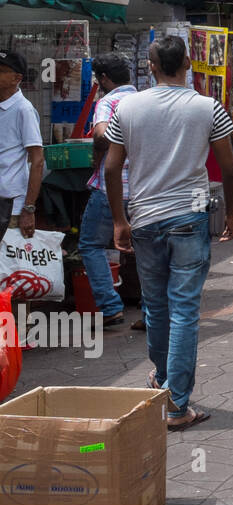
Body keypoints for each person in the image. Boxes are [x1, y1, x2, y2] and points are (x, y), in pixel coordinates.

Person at [104, 36, 233, 431]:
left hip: (144, 218)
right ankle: (176, 404)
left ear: (150, 66)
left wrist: (119, 221)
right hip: (190, 217)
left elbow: (113, 168)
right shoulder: (206, 106)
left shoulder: (127, 107)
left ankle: (165, 381)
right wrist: (231, 215)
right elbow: (229, 167)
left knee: (156, 307)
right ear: (186, 63)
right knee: (182, 310)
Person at [79, 53, 137, 326]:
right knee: (145, 248)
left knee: (91, 245)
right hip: (142, 188)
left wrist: (98, 150)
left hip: (111, 188)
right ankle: (149, 308)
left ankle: (110, 306)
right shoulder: (143, 99)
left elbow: (101, 135)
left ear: (104, 78)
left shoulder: (108, 101)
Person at [0, 49, 42, 240]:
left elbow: (37, 160)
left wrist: (29, 208)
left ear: (16, 78)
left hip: (10, 207)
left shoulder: (23, 110)